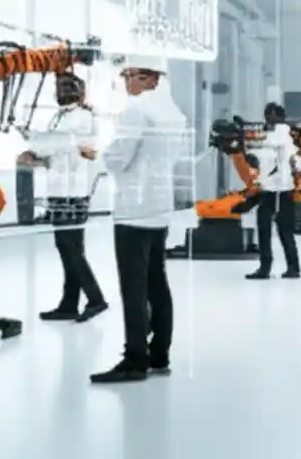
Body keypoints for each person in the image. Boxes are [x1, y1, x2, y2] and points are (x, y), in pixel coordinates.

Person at [91, 56, 189, 384]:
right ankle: (159, 354)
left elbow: (119, 158)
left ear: (149, 78)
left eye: (128, 76)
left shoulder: (137, 110)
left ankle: (135, 359)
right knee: (157, 283)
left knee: (134, 288)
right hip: (160, 206)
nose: (126, 83)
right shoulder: (173, 113)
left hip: (134, 209)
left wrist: (100, 155)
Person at [29, 73, 108, 322]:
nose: (61, 90)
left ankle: (96, 299)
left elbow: (70, 146)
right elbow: (57, 150)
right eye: (58, 86)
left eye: (66, 86)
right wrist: (35, 156)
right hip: (58, 189)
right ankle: (69, 303)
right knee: (69, 247)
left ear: (79, 90)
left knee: (68, 246)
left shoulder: (84, 117)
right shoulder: (59, 116)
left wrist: (40, 146)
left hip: (73, 192)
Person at [245, 103, 301, 280]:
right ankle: (290, 267)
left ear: (276, 116)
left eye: (269, 114)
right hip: (277, 188)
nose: (267, 118)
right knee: (281, 230)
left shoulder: (281, 134)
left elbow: (270, 149)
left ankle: (268, 268)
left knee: (270, 229)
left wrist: (248, 138)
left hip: (276, 189)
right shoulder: (280, 134)